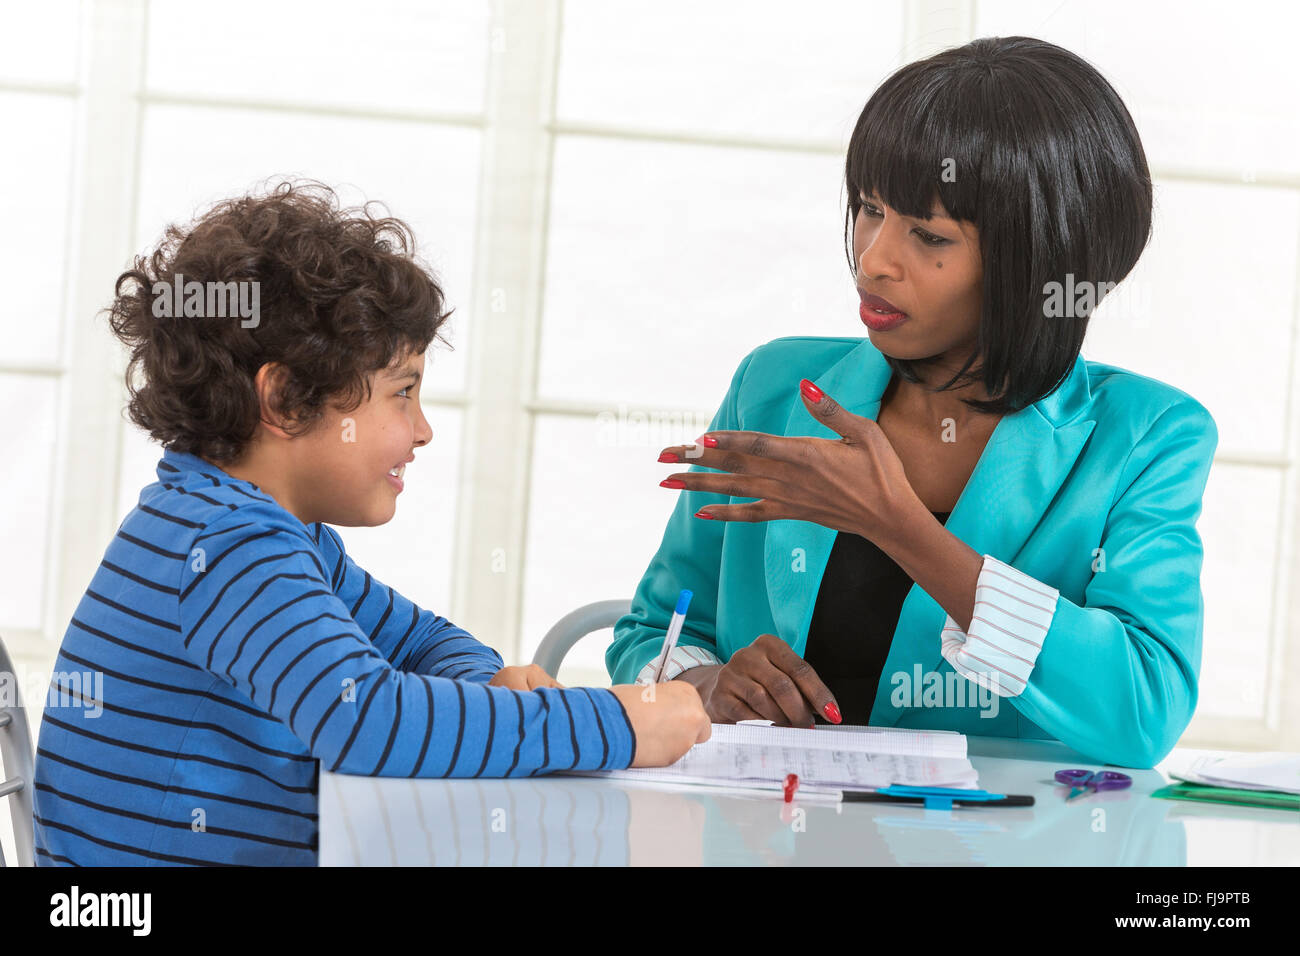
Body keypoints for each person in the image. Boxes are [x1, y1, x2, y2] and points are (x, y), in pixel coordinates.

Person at [32, 181, 709, 866]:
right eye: (402, 392)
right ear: (284, 399)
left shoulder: (254, 527)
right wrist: (620, 723)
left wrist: (485, 681)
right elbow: (369, 720)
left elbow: (421, 639)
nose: (423, 430)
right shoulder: (230, 547)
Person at [607, 36, 1218, 770]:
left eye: (928, 234)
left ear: (1039, 260)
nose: (873, 259)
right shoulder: (774, 385)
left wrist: (898, 526)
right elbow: (654, 631)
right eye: (870, 209)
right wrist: (705, 686)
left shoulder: (1146, 436)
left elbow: (1142, 710)